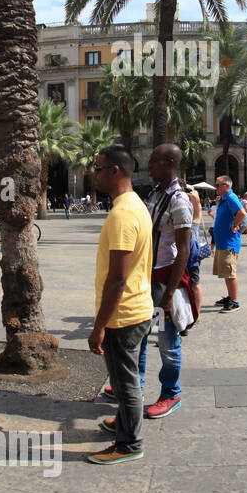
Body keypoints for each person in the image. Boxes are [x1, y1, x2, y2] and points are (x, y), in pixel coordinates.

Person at [84, 147, 155, 463]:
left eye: (97, 168)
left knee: (124, 383)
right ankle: (125, 423)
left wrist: (98, 327)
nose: (93, 173)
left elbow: (117, 279)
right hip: (138, 308)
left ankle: (129, 444)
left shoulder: (122, 214)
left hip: (123, 315)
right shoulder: (136, 205)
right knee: (127, 378)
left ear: (115, 171)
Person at [141, 144, 200, 419]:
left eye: (153, 160)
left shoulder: (179, 200)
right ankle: (134, 384)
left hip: (165, 279)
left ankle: (171, 393)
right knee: (140, 335)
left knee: (166, 340)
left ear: (168, 162)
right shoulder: (154, 193)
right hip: (148, 276)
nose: (149, 164)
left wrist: (168, 295)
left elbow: (184, 250)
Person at [210, 177, 245, 312]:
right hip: (222, 242)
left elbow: (241, 213)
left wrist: (235, 225)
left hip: (229, 242)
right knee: (225, 272)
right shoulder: (224, 199)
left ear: (226, 185)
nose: (216, 187)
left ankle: (234, 301)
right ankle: (230, 297)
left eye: (218, 185)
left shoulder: (231, 197)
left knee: (230, 273)